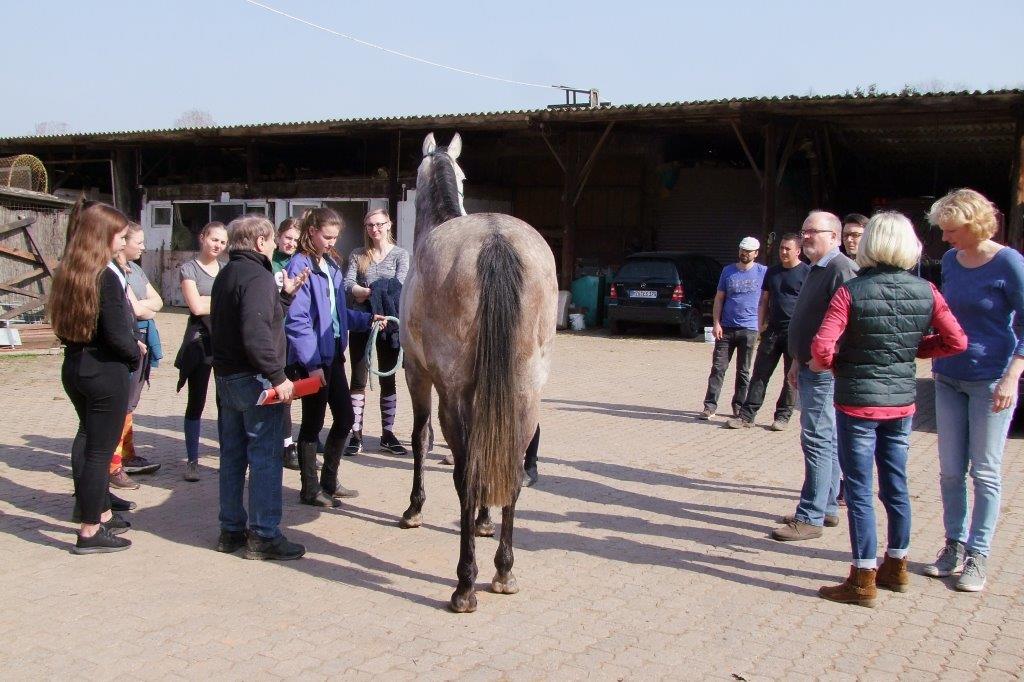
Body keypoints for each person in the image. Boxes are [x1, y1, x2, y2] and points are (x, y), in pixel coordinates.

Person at [809, 211, 966, 606]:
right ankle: (896, 566)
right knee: (896, 484)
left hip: (857, 402)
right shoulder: (927, 291)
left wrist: (835, 365)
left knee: (859, 489)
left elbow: (822, 347)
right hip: (900, 403)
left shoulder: (852, 291)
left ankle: (863, 577)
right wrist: (914, 351)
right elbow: (956, 341)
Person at [923, 188, 1024, 592]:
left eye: (950, 230)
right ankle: (953, 544)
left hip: (990, 380)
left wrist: (1013, 375)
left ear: (973, 224)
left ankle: (978, 555)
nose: (944, 239)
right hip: (947, 374)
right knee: (950, 470)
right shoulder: (950, 260)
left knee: (984, 471)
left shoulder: (1010, 263)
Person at [210, 215, 309, 560]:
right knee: (265, 457)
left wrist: (284, 298)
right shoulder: (257, 276)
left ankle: (231, 531)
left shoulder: (228, 274)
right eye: (269, 239)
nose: (273, 245)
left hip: (227, 378)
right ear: (259, 242)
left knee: (233, 456)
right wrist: (279, 377)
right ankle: (264, 535)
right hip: (254, 379)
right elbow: (255, 334)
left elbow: (255, 320)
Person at [49, 200, 142, 554]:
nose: (123, 241)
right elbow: (118, 335)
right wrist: (135, 354)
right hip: (104, 371)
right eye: (120, 235)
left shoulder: (71, 270)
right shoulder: (104, 276)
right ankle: (90, 529)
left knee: (87, 442)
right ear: (103, 236)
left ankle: (95, 510)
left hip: (75, 365)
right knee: (99, 453)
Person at [285, 208, 384, 507]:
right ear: (311, 230)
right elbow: (298, 320)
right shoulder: (299, 265)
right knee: (312, 424)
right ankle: (310, 488)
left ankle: (329, 480)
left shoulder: (329, 264)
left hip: (332, 357)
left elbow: (336, 315)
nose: (331, 242)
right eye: (326, 237)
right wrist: (312, 364)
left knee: (345, 418)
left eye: (335, 237)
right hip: (313, 360)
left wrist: (366, 320)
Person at [771, 211, 858, 542]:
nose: (805, 237)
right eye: (803, 231)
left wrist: (824, 360)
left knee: (817, 440)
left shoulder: (840, 269)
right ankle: (827, 508)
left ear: (834, 237)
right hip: (807, 365)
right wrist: (796, 359)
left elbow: (852, 321)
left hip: (824, 371)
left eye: (813, 232)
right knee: (827, 439)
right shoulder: (817, 269)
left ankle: (810, 517)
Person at [344, 208, 410, 455]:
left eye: (379, 224)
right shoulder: (357, 255)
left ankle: (387, 434)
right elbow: (347, 284)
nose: (375, 229)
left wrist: (368, 290)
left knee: (388, 378)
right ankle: (356, 434)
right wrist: (367, 293)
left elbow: (399, 285)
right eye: (370, 225)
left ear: (389, 224)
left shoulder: (401, 255)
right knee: (359, 379)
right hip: (364, 322)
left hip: (389, 325)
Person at [727, 233, 809, 431]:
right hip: (772, 331)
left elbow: (810, 304)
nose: (783, 252)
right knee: (760, 374)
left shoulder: (807, 272)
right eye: (781, 248)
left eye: (787, 249)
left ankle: (782, 416)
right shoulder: (772, 272)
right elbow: (764, 300)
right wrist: (760, 324)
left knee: (790, 378)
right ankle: (747, 416)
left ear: (798, 251)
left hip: (795, 333)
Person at [108, 222, 164, 490]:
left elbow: (157, 303)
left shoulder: (137, 271)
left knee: (131, 404)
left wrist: (144, 307)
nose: (143, 247)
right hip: (129, 341)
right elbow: (136, 310)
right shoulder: (113, 272)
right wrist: (144, 308)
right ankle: (113, 464)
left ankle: (127, 455)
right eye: (138, 242)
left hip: (142, 340)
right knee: (122, 406)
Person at [174, 221, 227, 482]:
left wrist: (210, 303)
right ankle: (192, 461)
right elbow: (195, 307)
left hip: (224, 344)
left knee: (225, 403)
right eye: (214, 239)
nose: (217, 245)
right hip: (199, 343)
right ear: (202, 237)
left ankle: (228, 457)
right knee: (197, 400)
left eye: (222, 242)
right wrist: (220, 302)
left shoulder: (227, 270)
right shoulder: (189, 268)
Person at [698, 236, 767, 420]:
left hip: (750, 329)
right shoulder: (728, 271)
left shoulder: (763, 272)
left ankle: (738, 406)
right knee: (718, 368)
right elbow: (719, 298)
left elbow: (768, 300)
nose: (744, 253)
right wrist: (716, 322)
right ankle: (710, 406)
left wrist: (762, 325)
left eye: (748, 251)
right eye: (742, 250)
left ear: (756, 253)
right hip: (726, 328)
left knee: (744, 371)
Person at [272, 217, 301, 470]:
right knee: (284, 393)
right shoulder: (269, 262)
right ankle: (285, 444)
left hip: (297, 336)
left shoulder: (300, 261)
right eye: (287, 238)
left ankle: (300, 440)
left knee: (300, 389)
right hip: (275, 335)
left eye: (295, 239)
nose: (291, 243)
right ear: (278, 236)